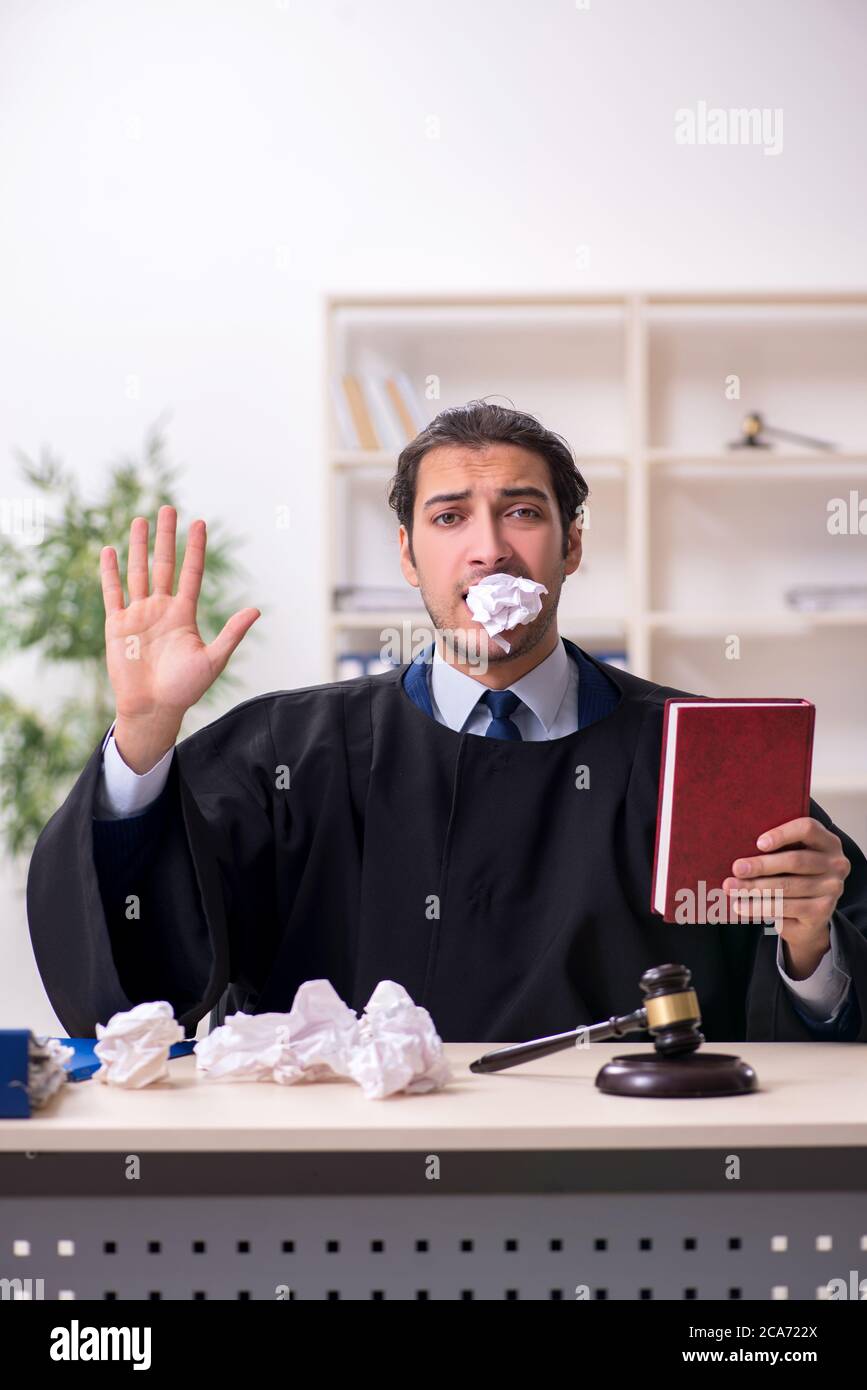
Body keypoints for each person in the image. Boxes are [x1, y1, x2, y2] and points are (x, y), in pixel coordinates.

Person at [26, 402, 867, 1042]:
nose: (489, 547)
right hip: (346, 1181)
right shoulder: (287, 754)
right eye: (450, 516)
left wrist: (807, 944)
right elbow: (137, 994)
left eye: (523, 512)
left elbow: (819, 1002)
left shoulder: (703, 754)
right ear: (406, 554)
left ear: (570, 546)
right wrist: (141, 732)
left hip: (632, 1174)